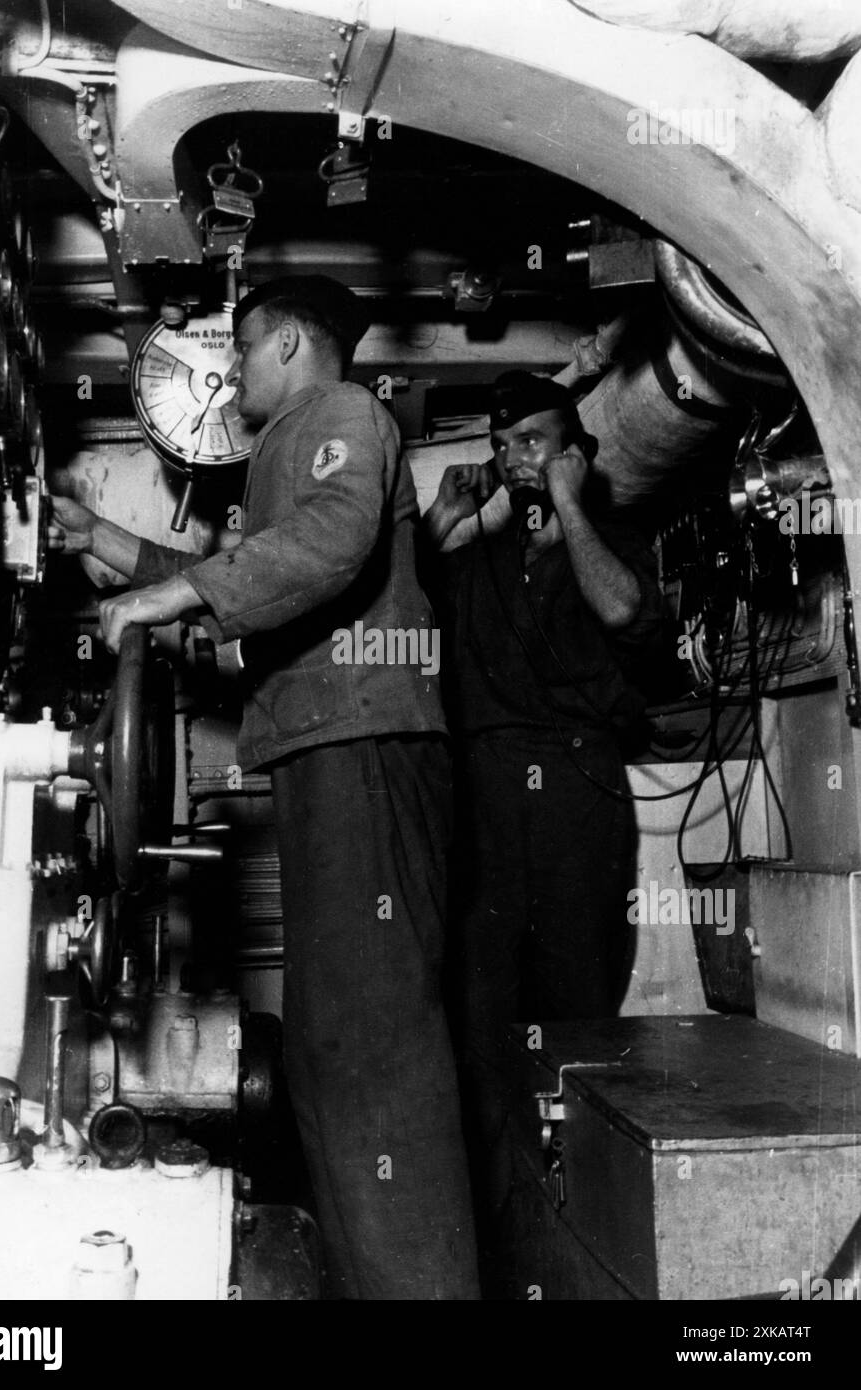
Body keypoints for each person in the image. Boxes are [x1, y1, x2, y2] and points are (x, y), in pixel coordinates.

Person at [50, 275, 480, 1300]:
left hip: (365, 744)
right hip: (326, 749)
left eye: (240, 348)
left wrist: (174, 590)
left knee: (373, 1051)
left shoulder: (340, 413)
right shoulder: (279, 452)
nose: (230, 370)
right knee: (332, 1055)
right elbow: (251, 583)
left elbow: (327, 546)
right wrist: (105, 543)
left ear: (288, 343)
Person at [423, 370, 664, 1283]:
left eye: (533, 439)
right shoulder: (474, 560)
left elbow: (624, 610)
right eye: (503, 441)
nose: (513, 456)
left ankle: (587, 1239)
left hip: (574, 788)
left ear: (574, 451)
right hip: (484, 793)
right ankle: (504, 1249)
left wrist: (570, 505)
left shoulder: (612, 540)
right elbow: (397, 609)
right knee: (481, 1025)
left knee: (576, 1012)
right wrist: (440, 524)